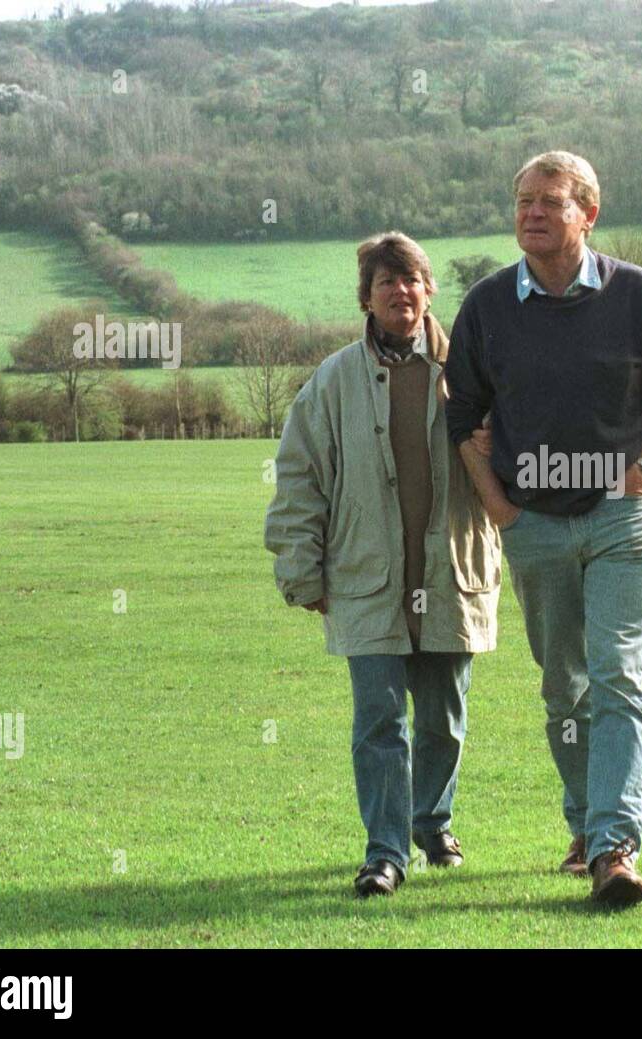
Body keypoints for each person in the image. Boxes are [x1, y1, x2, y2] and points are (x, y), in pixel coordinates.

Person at [446, 151, 642, 907]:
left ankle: (614, 845)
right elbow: (461, 414)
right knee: (565, 689)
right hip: (536, 527)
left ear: (588, 213)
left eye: (548, 201)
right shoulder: (488, 307)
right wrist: (499, 507)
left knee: (618, 671)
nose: (530, 213)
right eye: (522, 200)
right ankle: (587, 825)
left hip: (625, 520)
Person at [266, 232, 501, 899]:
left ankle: (432, 822)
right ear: (365, 296)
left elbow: (515, 454)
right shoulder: (332, 380)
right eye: (387, 281)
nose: (402, 291)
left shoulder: (473, 370)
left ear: (430, 290)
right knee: (377, 721)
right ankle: (385, 850)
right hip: (366, 578)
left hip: (452, 571)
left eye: (413, 279)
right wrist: (301, 570)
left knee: (443, 718)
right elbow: (299, 478)